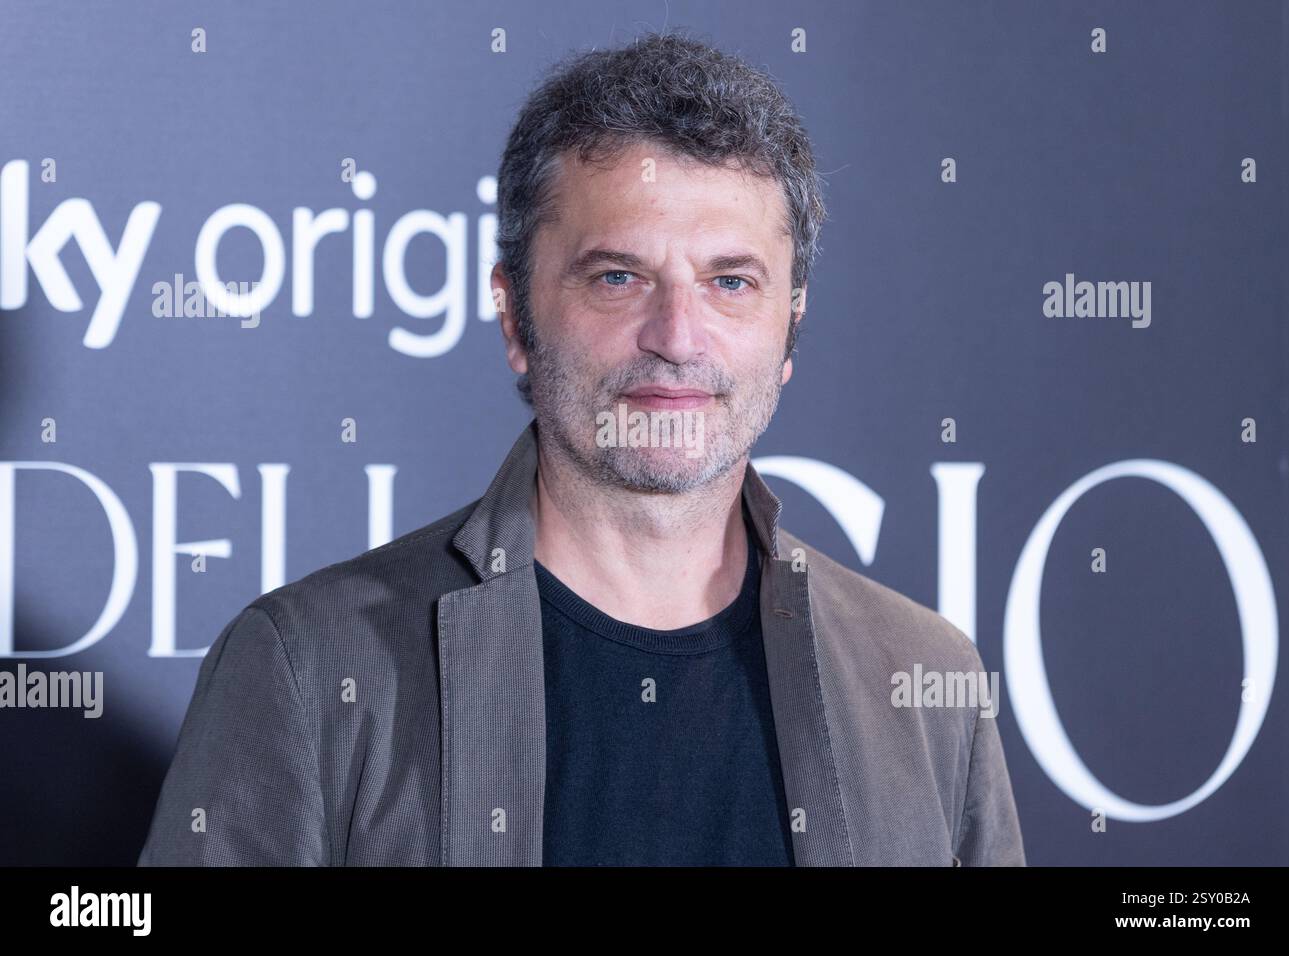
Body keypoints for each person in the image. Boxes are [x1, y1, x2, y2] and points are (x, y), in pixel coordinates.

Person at [138, 31, 1026, 867]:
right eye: (617, 277)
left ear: (789, 330)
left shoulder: (926, 682)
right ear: (516, 315)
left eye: (730, 282)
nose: (678, 336)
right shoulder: (310, 670)